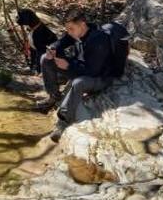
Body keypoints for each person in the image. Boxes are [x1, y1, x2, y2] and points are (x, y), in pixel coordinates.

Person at [40, 8, 113, 142]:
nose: (68, 32)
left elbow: (93, 71)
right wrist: (53, 48)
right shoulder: (76, 32)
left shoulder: (98, 39)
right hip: (79, 68)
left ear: (82, 25)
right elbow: (62, 41)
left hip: (98, 77)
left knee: (78, 82)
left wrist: (68, 65)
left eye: (71, 29)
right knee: (45, 58)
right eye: (67, 29)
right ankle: (53, 96)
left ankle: (63, 122)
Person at [15, 8, 58, 76]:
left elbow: (40, 50)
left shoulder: (39, 31)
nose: (17, 18)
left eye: (20, 16)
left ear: (27, 18)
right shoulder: (34, 28)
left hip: (51, 58)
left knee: (39, 51)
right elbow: (33, 48)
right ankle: (32, 68)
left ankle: (39, 70)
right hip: (43, 54)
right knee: (33, 50)